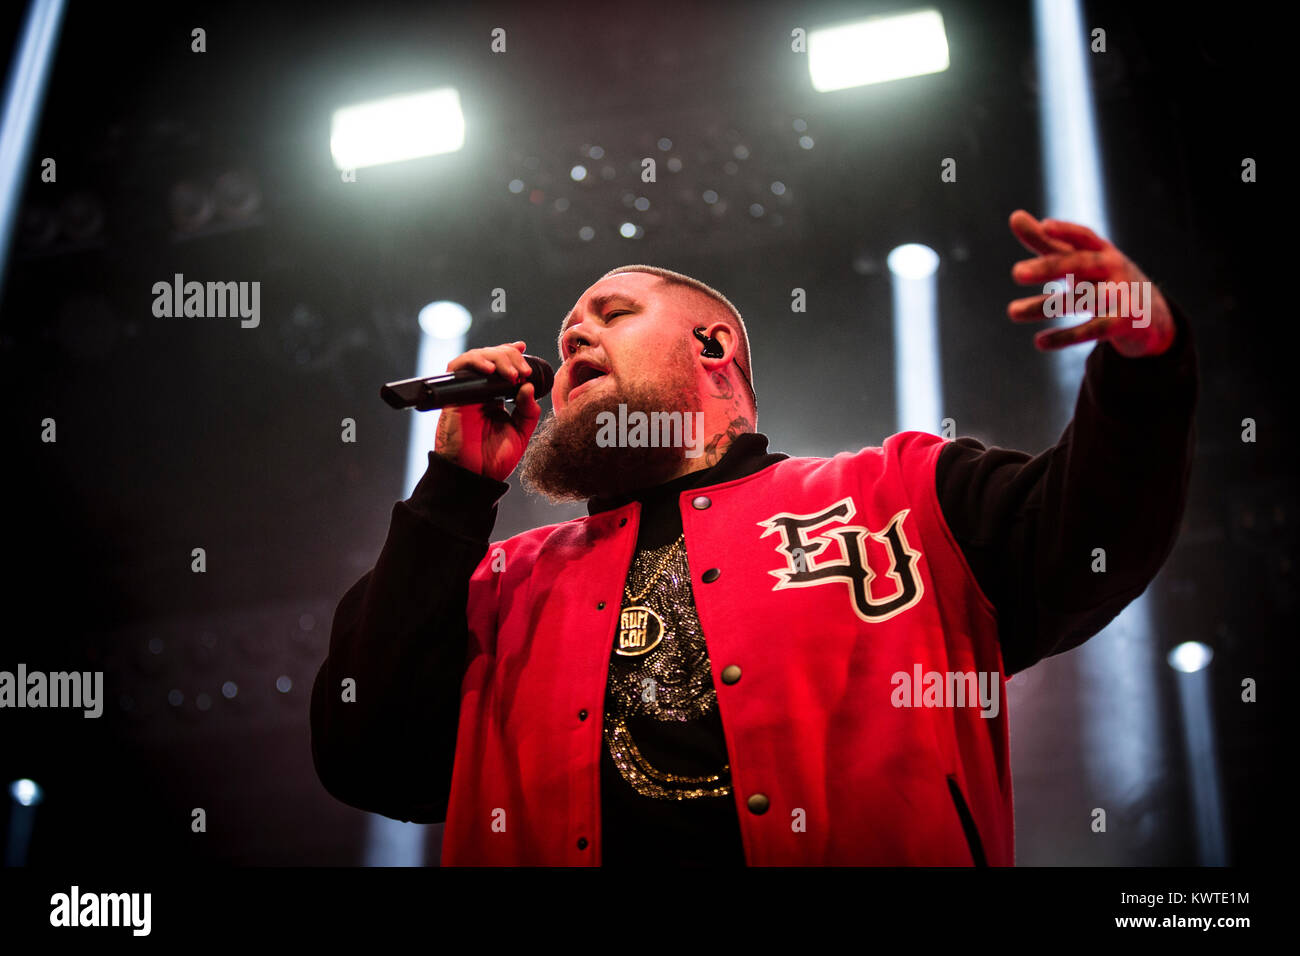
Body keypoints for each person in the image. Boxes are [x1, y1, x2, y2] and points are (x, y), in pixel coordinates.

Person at [310, 209, 1197, 865]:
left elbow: (1093, 542)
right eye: (568, 326)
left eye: (610, 313)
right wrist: (451, 495)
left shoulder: (899, 496)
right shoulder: (498, 585)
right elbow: (368, 760)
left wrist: (1143, 365)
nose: (572, 330)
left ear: (712, 343)